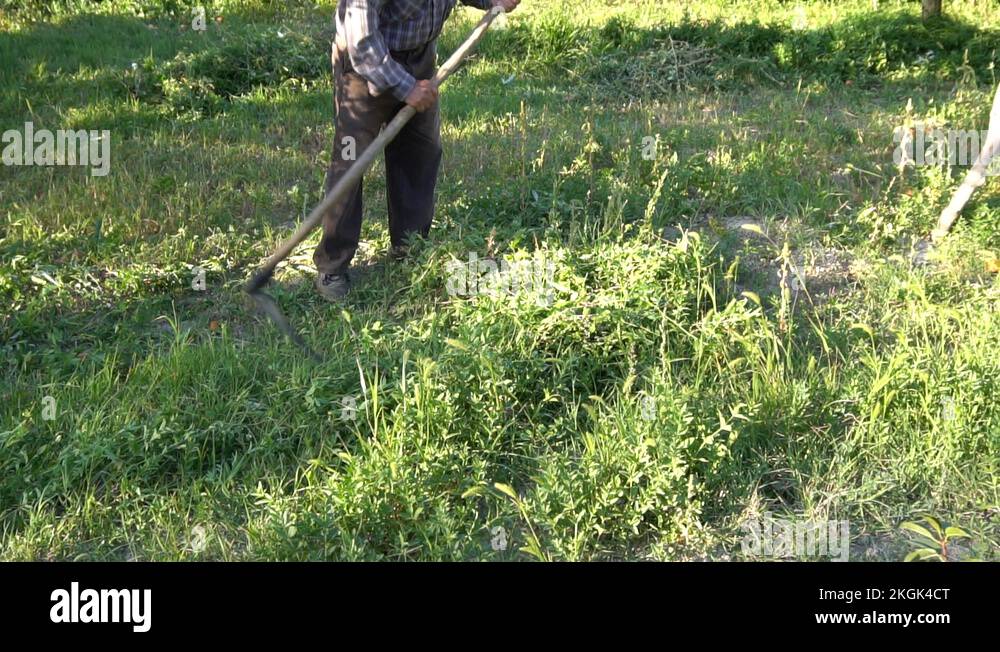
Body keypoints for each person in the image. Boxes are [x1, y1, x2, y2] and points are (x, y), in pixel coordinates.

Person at [314, 0, 521, 301]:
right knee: (350, 162)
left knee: (420, 153)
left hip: (420, 57)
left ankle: (410, 249)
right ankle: (332, 264)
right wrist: (405, 87)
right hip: (365, 65)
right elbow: (361, 40)